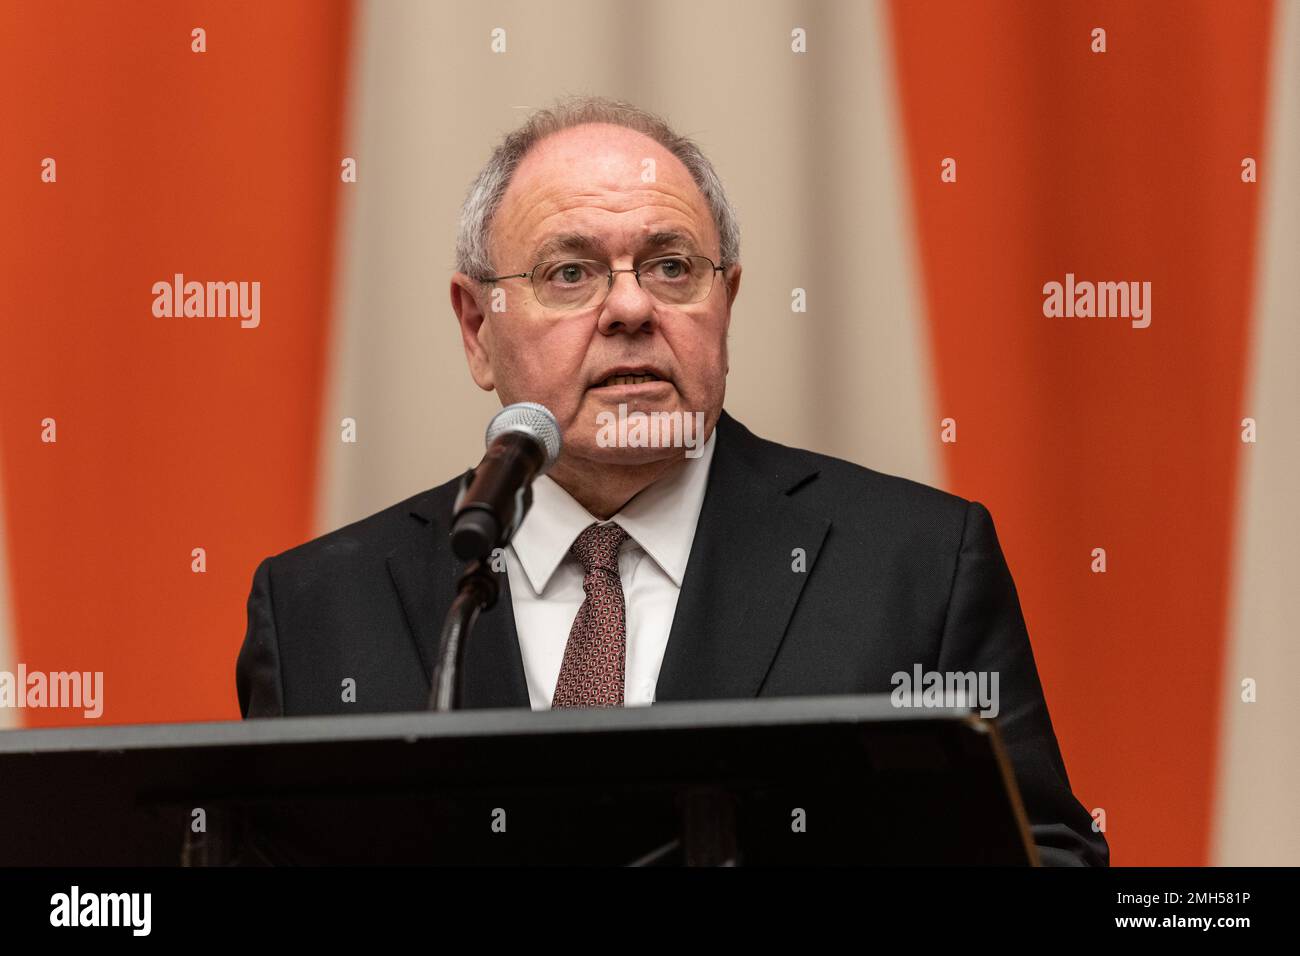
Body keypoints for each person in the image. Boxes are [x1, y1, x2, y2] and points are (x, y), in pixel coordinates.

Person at [236, 95, 1108, 867]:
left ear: (725, 302)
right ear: (477, 329)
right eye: (569, 273)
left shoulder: (915, 566)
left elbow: (1045, 858)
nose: (628, 308)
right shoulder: (321, 607)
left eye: (671, 266)